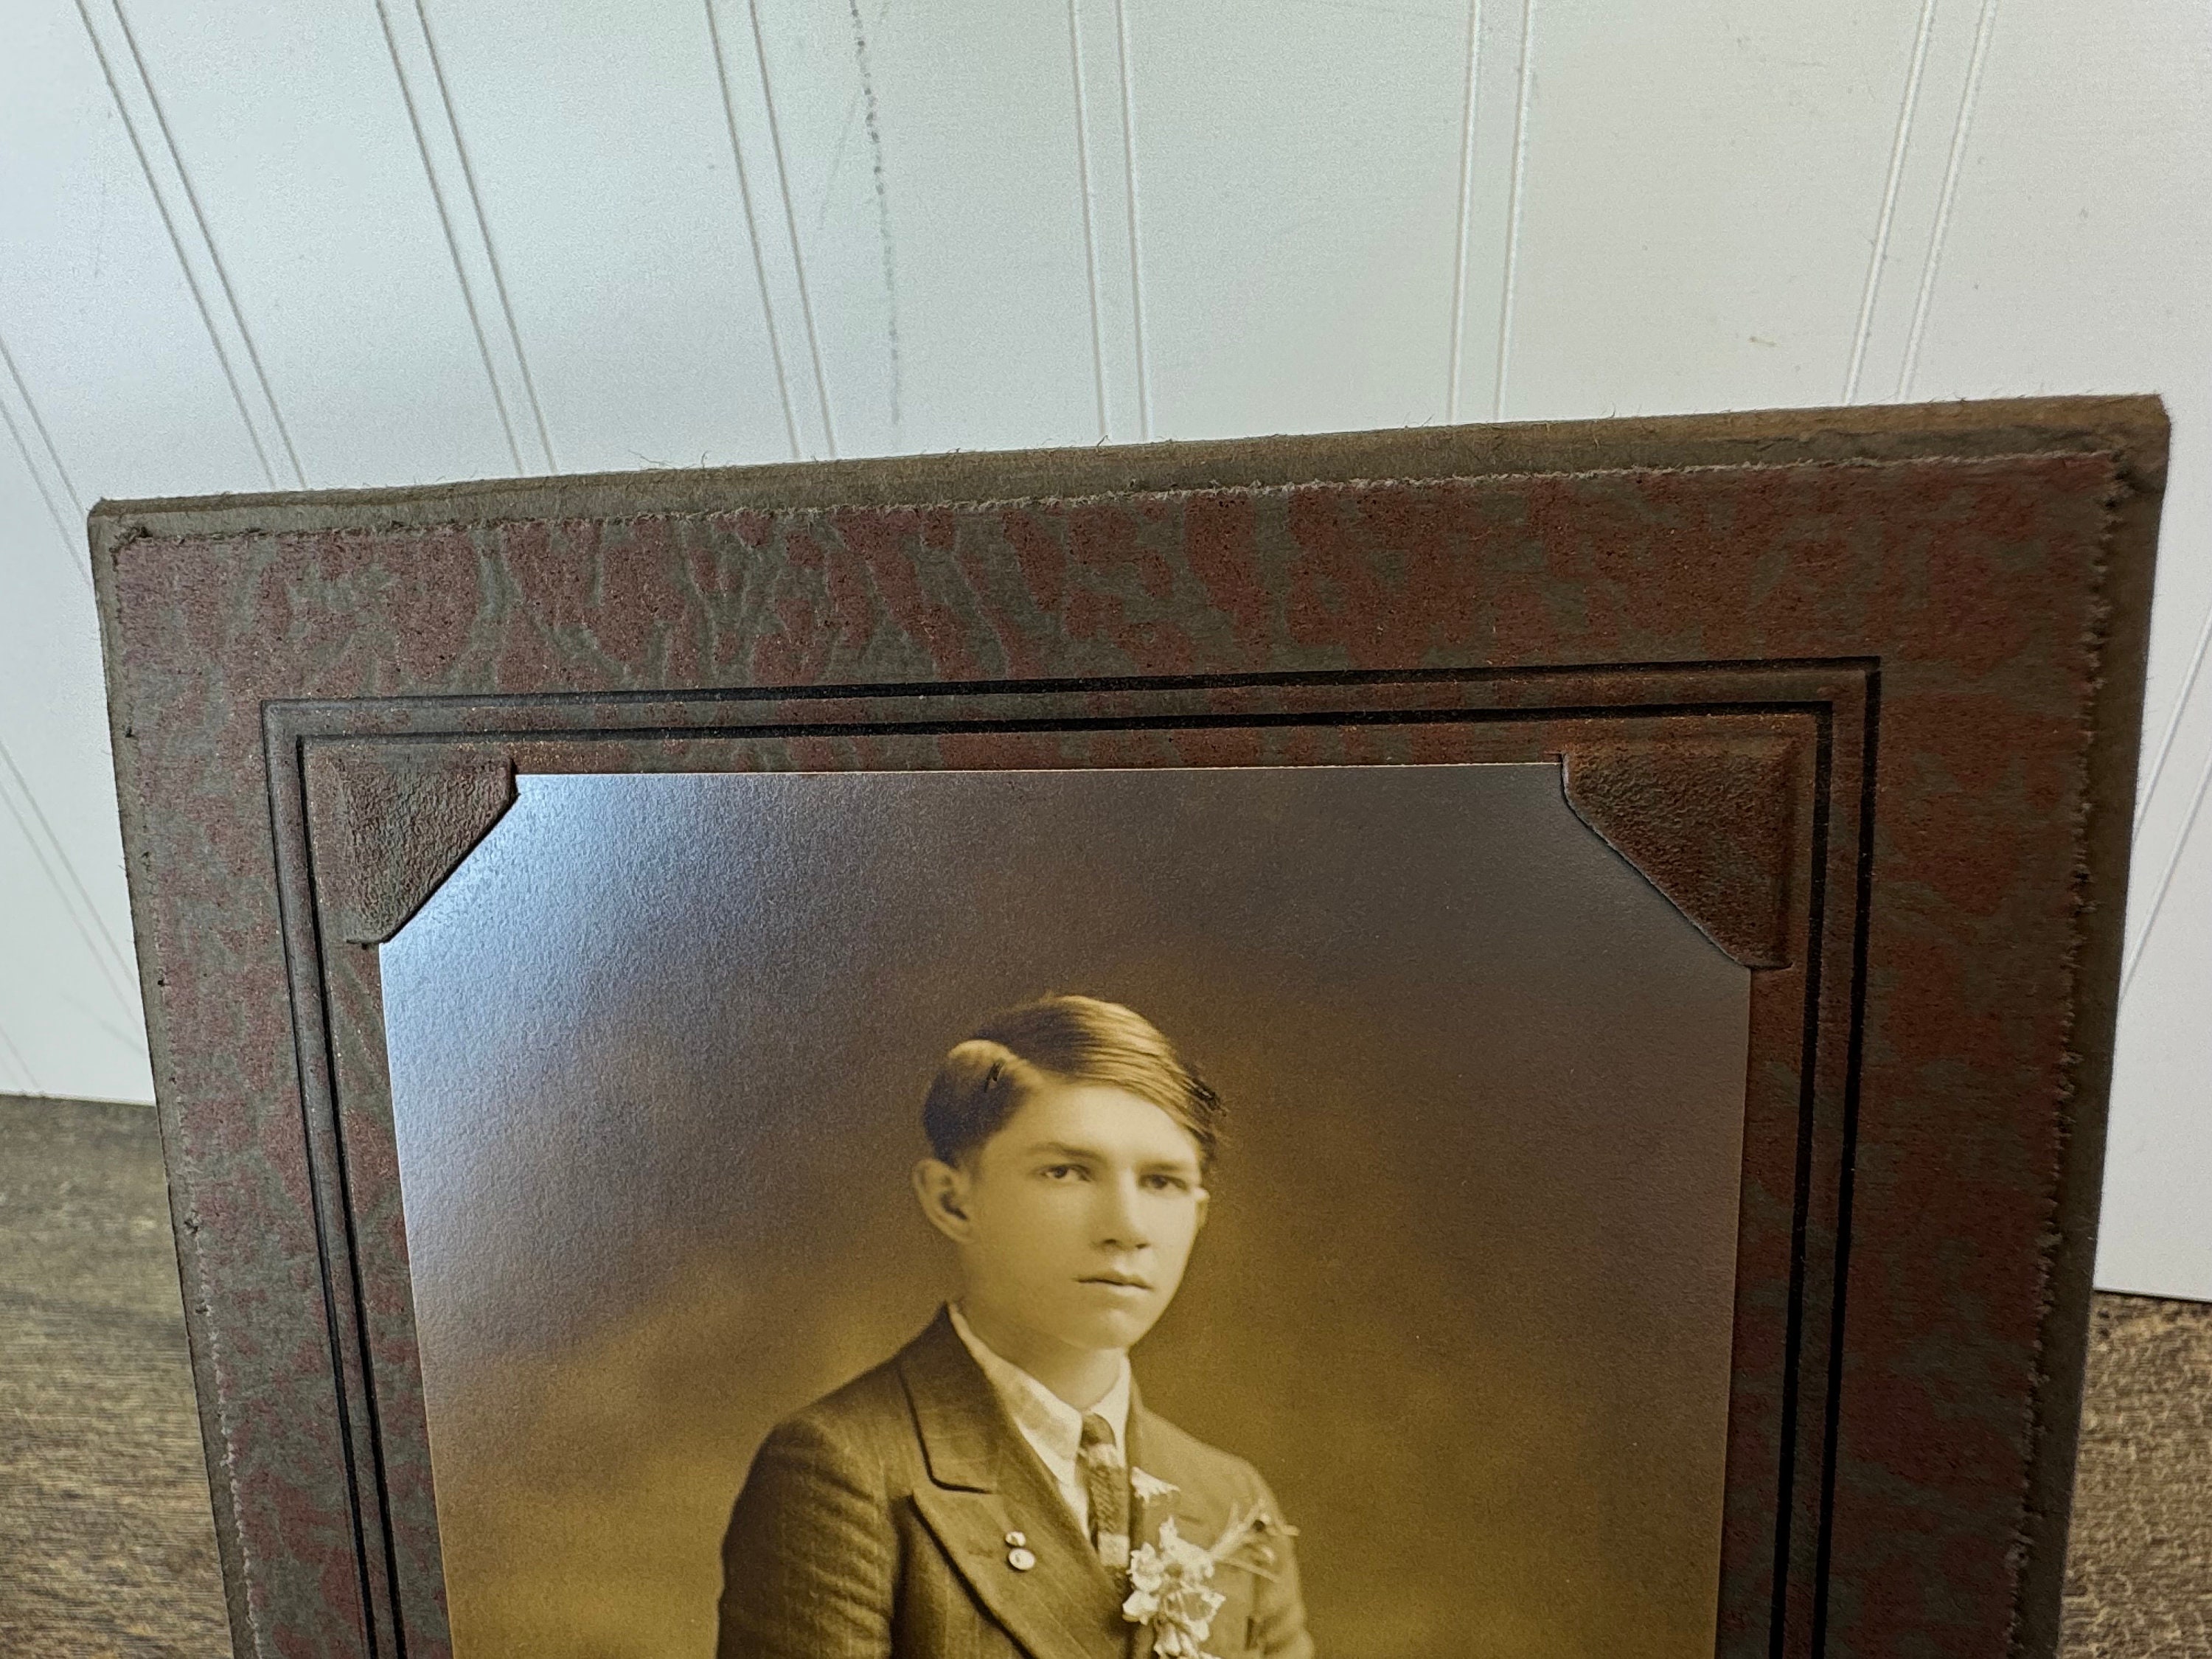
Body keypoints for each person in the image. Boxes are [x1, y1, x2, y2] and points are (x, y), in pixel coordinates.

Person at [717, 993, 1313, 1659]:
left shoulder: (1228, 1496)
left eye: (1162, 1182)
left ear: (1198, 1216)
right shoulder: (845, 1470)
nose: (1127, 1228)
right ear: (953, 1201)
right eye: (1066, 1172)